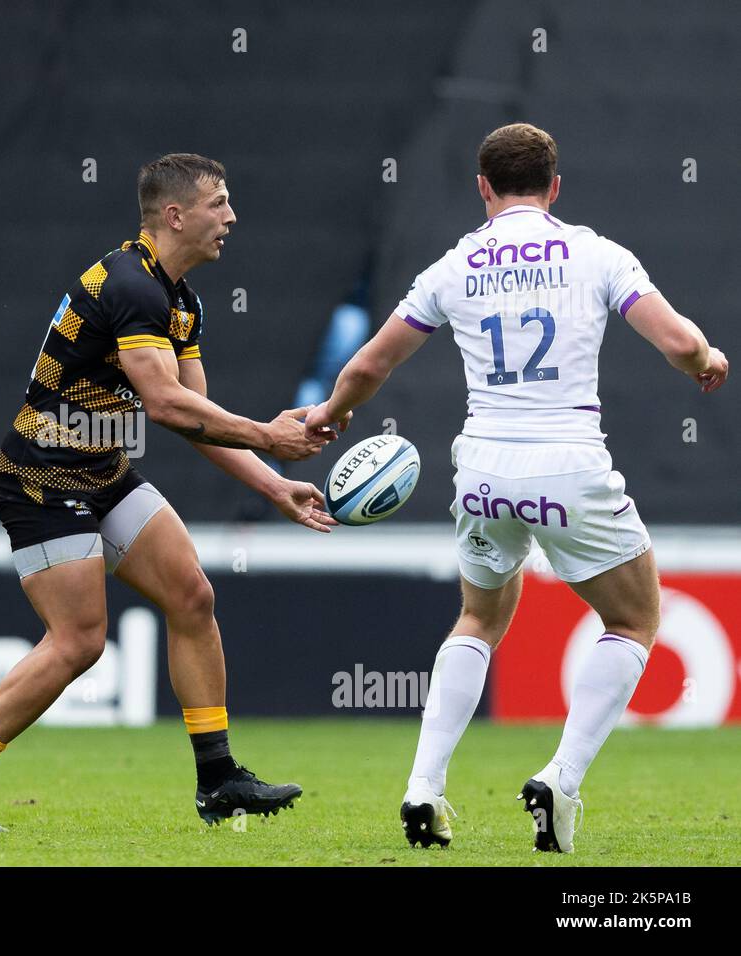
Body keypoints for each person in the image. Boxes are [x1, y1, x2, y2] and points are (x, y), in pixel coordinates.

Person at [302, 123, 728, 853]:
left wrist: (328, 414)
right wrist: (706, 359)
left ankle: (423, 786)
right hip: (569, 467)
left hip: (485, 471)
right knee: (631, 621)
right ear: (555, 185)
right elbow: (678, 341)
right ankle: (560, 779)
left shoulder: (455, 264)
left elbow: (371, 365)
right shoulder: (596, 253)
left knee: (477, 620)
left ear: (483, 188)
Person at [0, 153, 339, 832]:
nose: (231, 217)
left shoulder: (178, 300)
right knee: (79, 641)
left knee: (193, 596)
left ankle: (218, 778)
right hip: (42, 477)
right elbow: (169, 407)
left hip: (103, 470)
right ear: (175, 216)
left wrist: (273, 486)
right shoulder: (130, 285)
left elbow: (197, 420)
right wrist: (267, 434)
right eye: (218, 204)